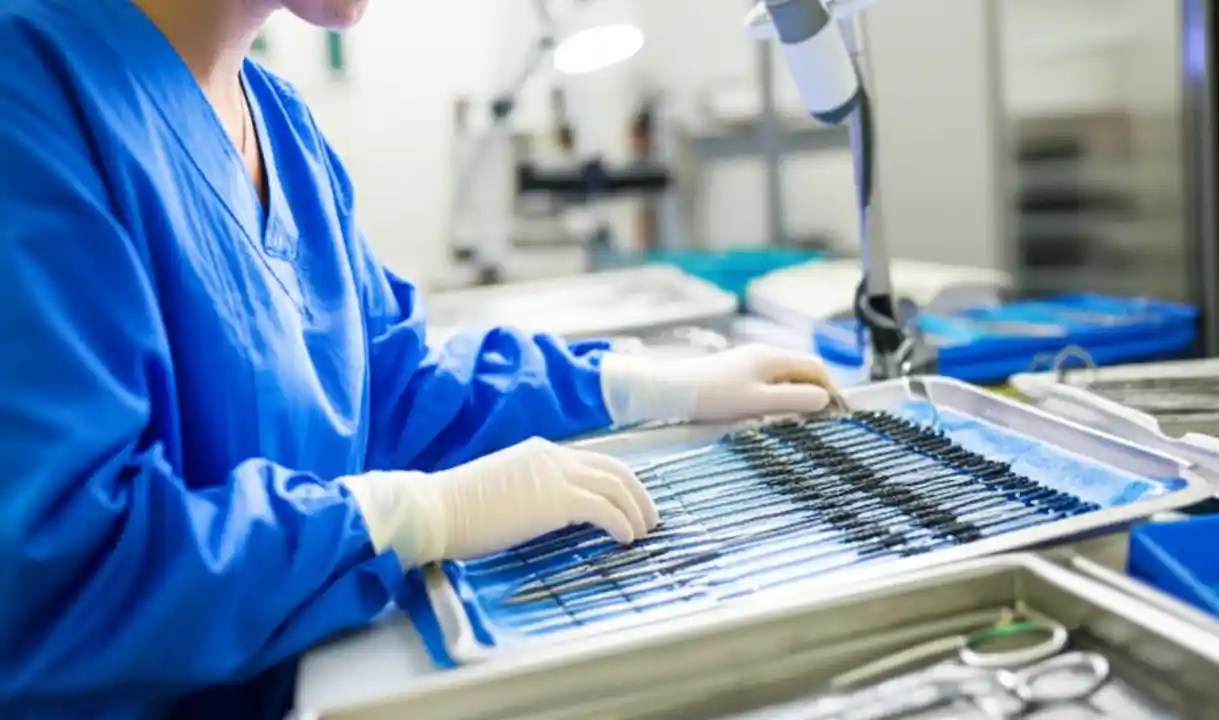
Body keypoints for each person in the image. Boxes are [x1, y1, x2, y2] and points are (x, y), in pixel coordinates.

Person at [0, 0, 839, 717]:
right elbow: (60, 571)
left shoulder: (276, 121)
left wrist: (638, 383)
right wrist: (406, 519)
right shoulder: (28, 90)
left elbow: (391, 393)